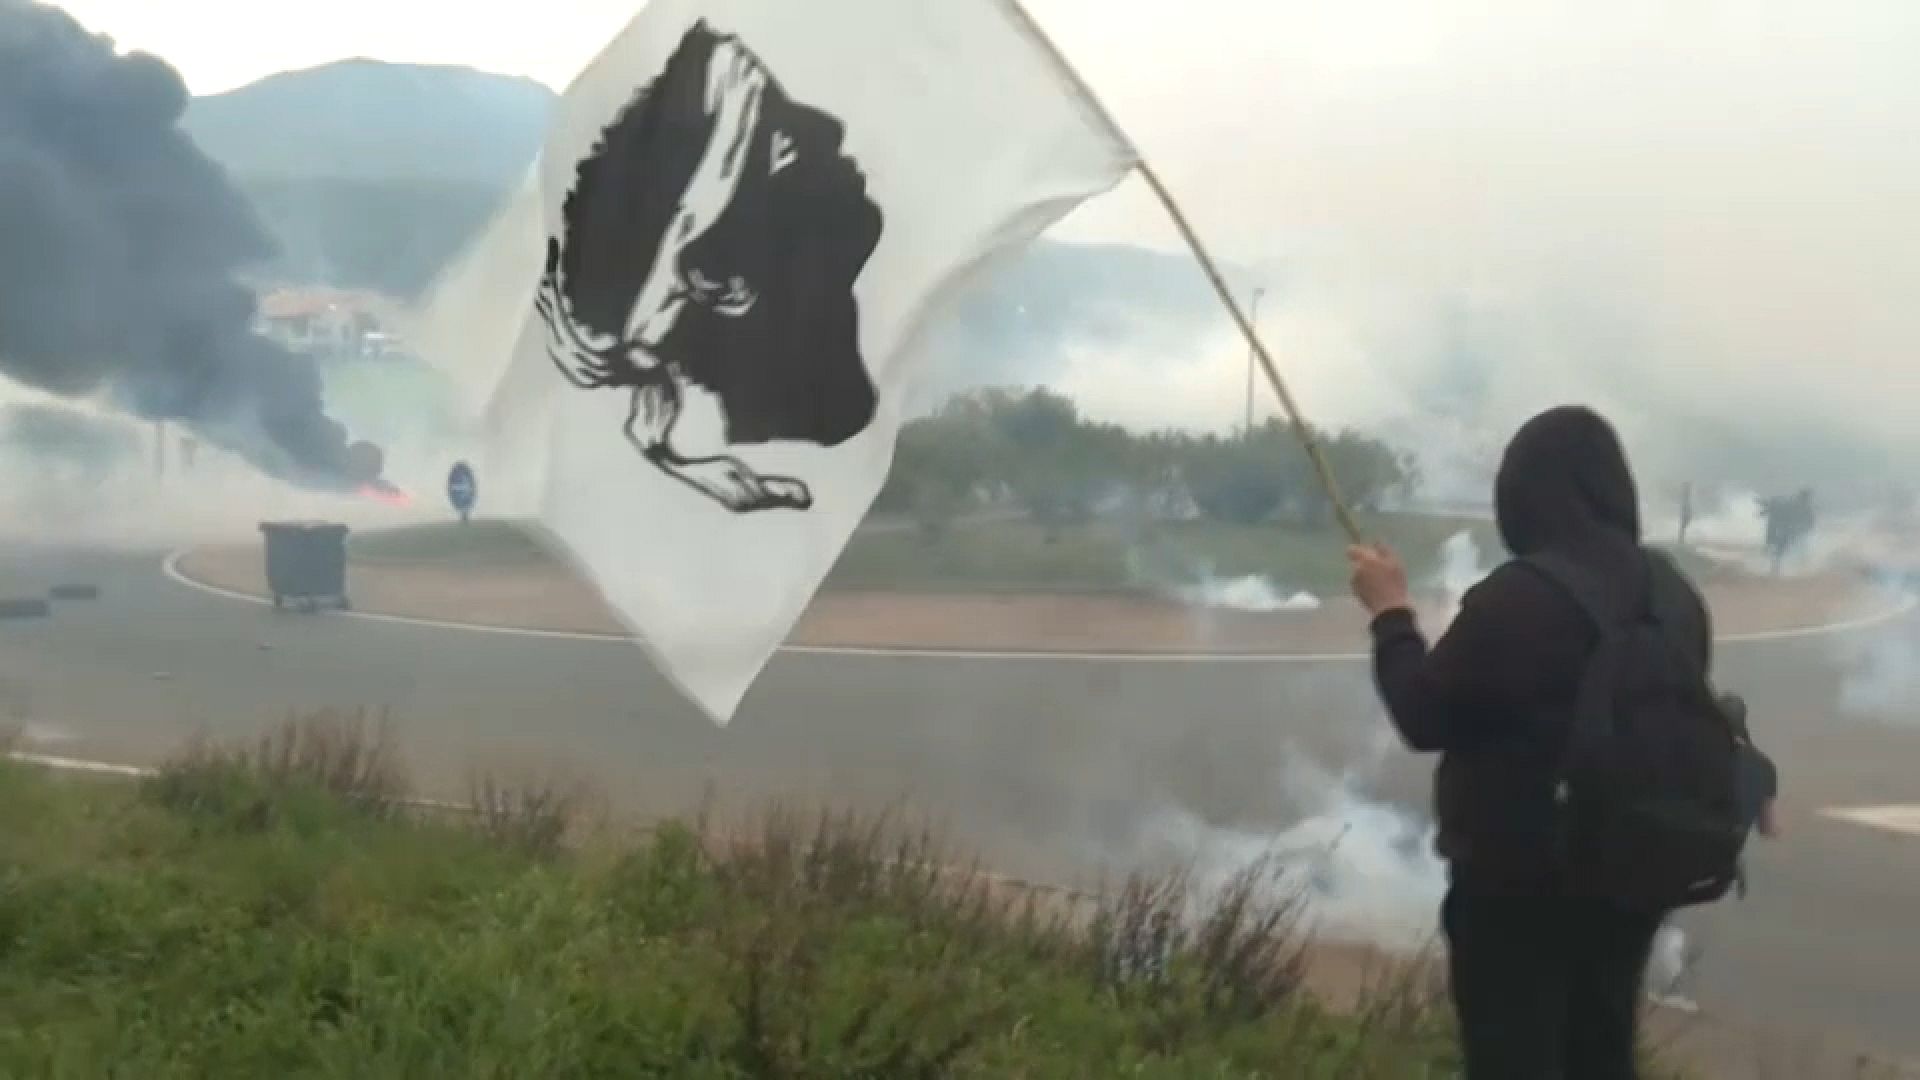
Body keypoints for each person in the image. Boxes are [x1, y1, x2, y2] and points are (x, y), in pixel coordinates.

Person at [1346, 405, 1776, 1080]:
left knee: (1512, 1058)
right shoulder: (1674, 593)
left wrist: (1390, 614)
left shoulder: (1519, 597)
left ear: (1520, 497)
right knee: (1602, 1055)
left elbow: (1422, 714)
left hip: (1516, 889)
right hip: (1634, 875)